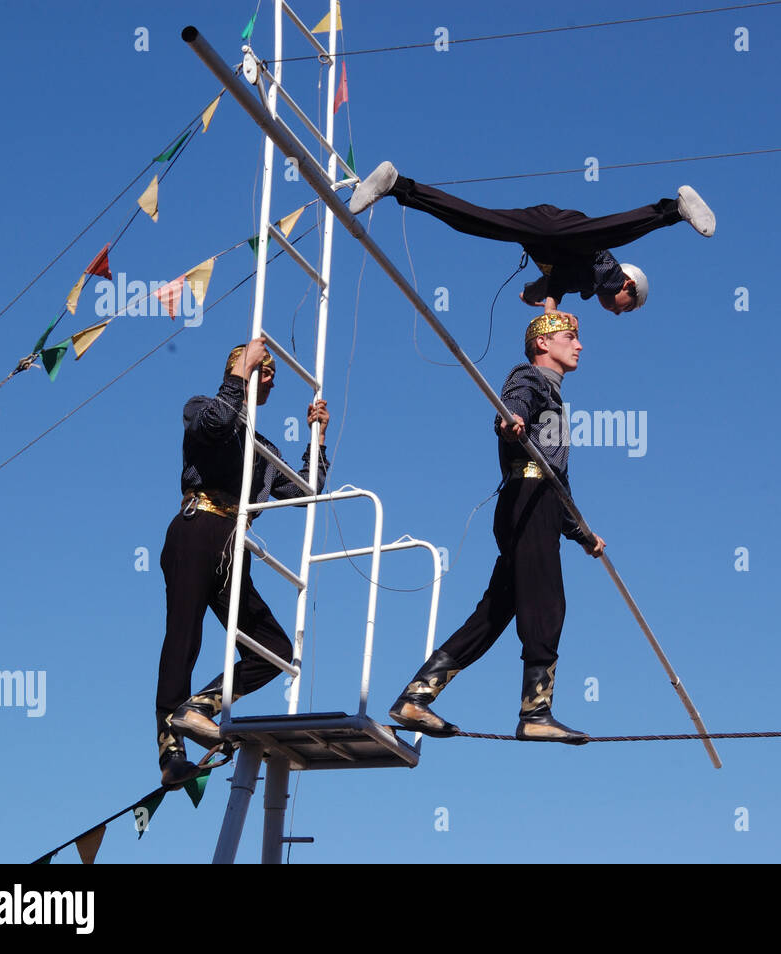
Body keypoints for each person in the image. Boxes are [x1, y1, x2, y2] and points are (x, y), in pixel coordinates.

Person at [387, 312, 606, 744]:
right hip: (527, 501)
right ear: (543, 344)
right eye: (569, 337)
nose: (579, 346)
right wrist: (511, 424)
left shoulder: (557, 401)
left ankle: (416, 698)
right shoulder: (529, 376)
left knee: (493, 613)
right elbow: (512, 408)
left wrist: (582, 534)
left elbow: (559, 487)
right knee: (547, 604)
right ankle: (536, 713)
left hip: (538, 502)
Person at [154, 338, 330, 787]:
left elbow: (305, 492)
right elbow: (216, 425)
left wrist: (317, 440)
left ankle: (200, 706)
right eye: (262, 367)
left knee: (273, 649)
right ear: (240, 366)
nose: (270, 376)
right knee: (184, 634)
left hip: (233, 543)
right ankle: (169, 747)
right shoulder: (202, 408)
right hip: (197, 527)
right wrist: (238, 375)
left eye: (272, 372)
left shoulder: (263, 447)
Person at [348, 161, 715, 315]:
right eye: (625, 306)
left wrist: (538, 293)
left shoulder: (584, 278)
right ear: (630, 286)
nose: (618, 311)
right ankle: (673, 209)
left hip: (538, 228)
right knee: (608, 231)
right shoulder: (609, 274)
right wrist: (551, 306)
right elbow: (577, 281)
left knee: (473, 221)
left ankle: (398, 185)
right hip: (560, 229)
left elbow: (562, 280)